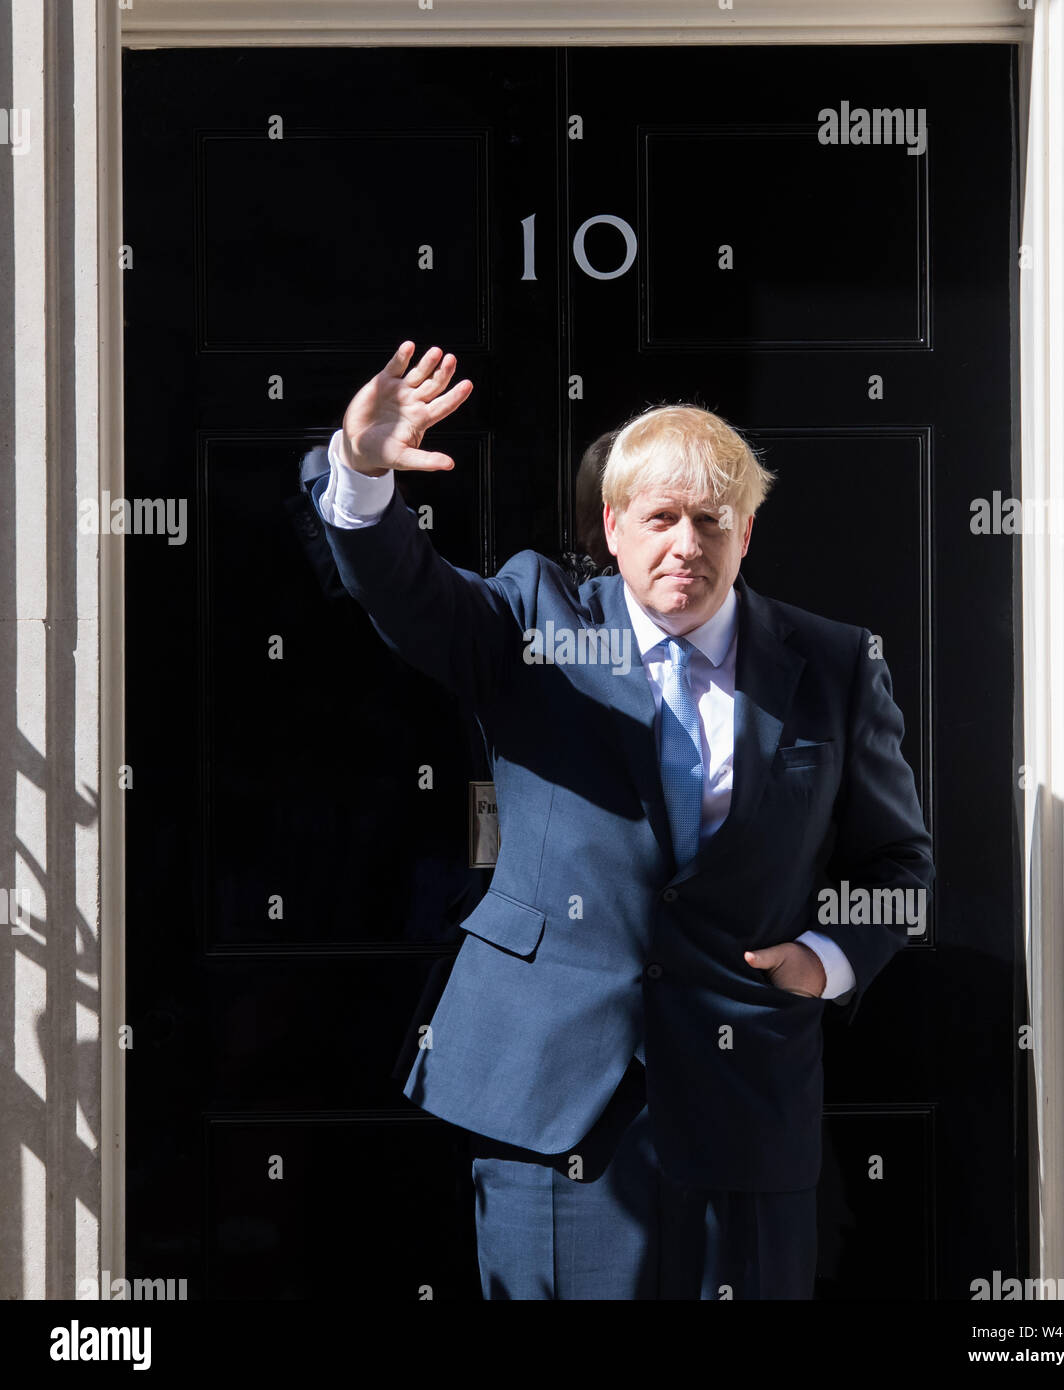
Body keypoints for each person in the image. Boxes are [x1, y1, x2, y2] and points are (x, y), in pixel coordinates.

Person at [306, 340, 934, 1300]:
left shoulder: (833, 663)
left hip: (743, 1094)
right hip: (552, 1089)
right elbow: (407, 592)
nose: (685, 544)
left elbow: (898, 865)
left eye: (710, 522)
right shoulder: (532, 616)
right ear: (613, 526)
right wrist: (359, 472)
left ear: (746, 534)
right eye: (661, 518)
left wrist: (828, 961)